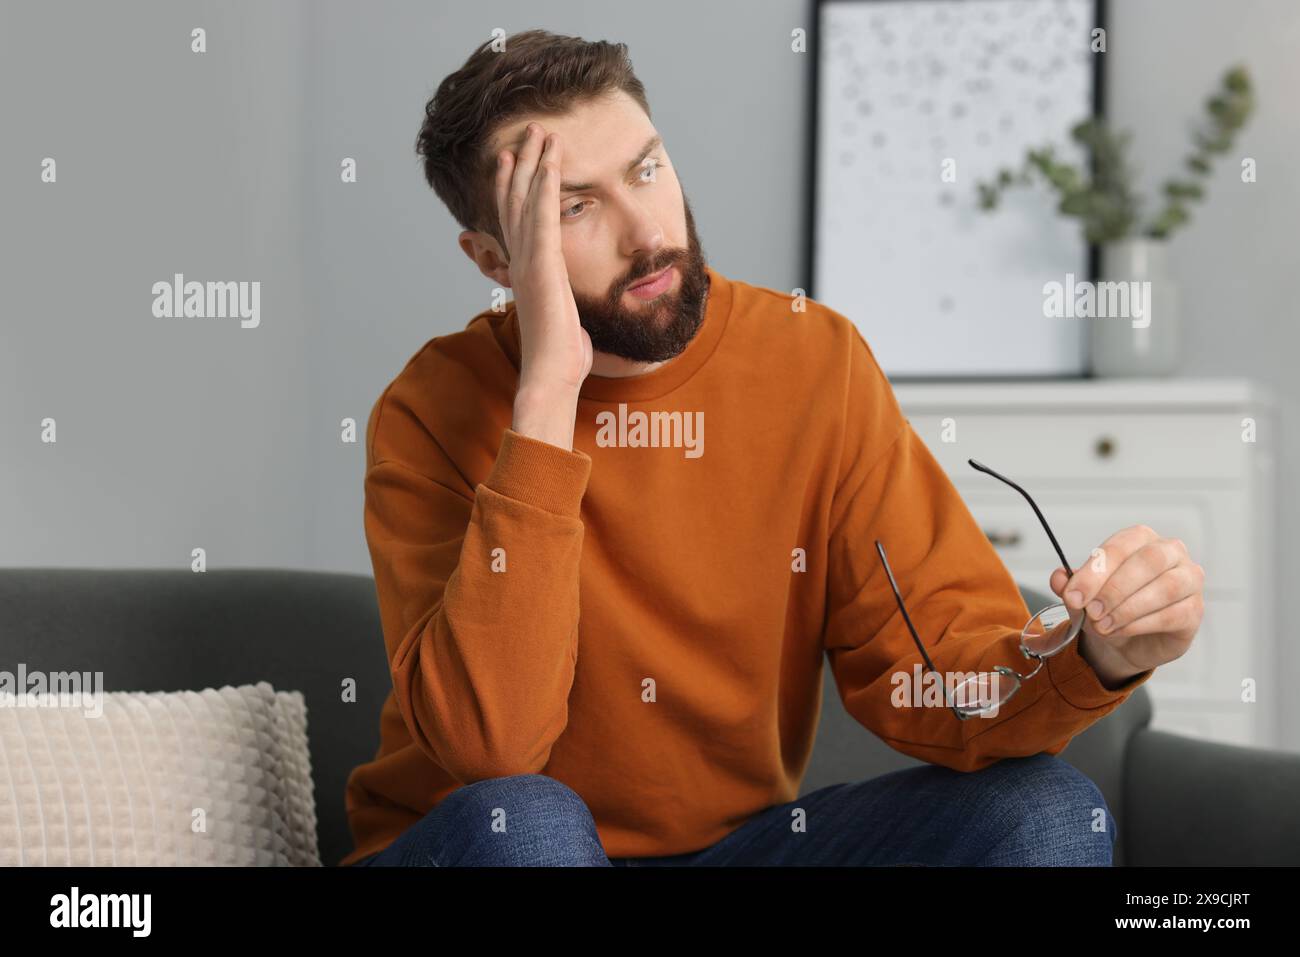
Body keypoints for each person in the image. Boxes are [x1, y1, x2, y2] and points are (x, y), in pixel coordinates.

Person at [341, 29, 1204, 867]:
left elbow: (935, 667)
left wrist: (1093, 654)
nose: (646, 232)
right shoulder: (430, 410)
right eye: (575, 206)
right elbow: (495, 749)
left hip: (740, 847)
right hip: (492, 846)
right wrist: (547, 395)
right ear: (494, 258)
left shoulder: (810, 361)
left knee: (1045, 812)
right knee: (525, 822)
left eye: (647, 169)